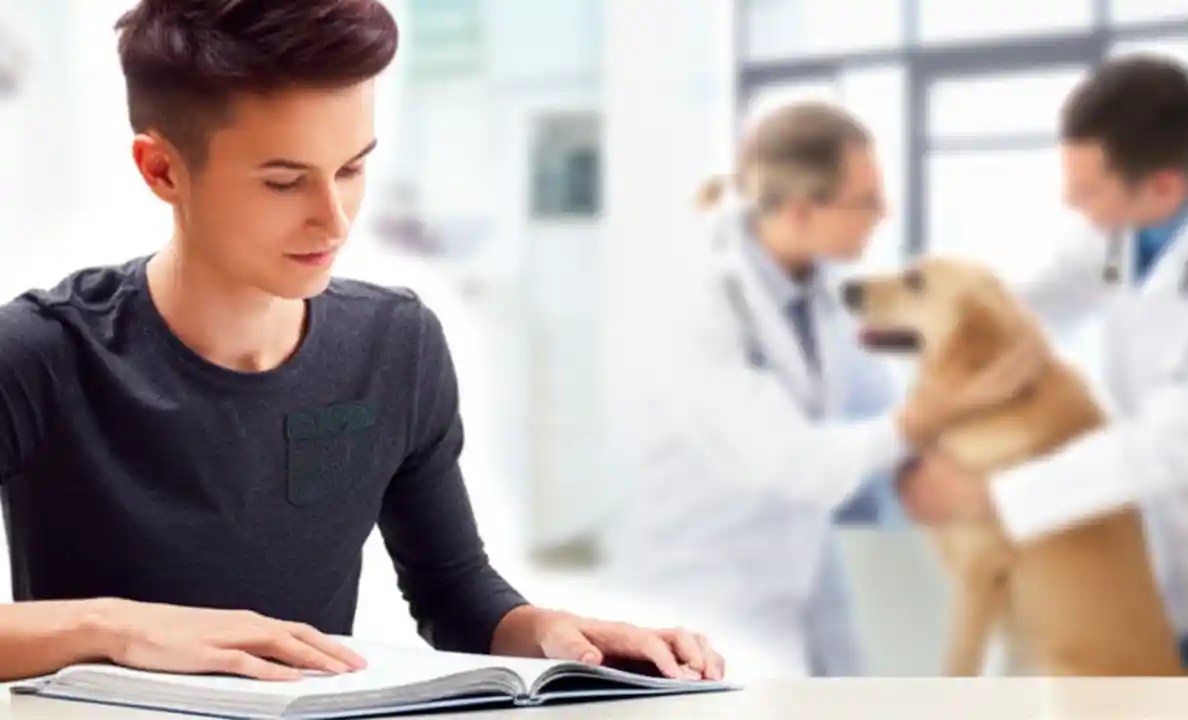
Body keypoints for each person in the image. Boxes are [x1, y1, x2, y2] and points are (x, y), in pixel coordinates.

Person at [0, 0, 723, 683]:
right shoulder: (39, 353)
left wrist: (559, 635)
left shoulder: (394, 345)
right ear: (162, 170)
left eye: (352, 168)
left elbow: (455, 593)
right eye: (285, 182)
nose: (335, 220)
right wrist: (112, 631)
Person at [603, 102, 1042, 678]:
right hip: (704, 597)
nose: (883, 215)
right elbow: (793, 461)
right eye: (866, 201)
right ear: (803, 212)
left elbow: (875, 417)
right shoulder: (695, 301)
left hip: (798, 585)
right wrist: (928, 420)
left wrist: (954, 466)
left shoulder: (823, 294)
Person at [900, 56, 1188, 674]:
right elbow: (1034, 301)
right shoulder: (1117, 225)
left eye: (1086, 189)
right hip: (1142, 533)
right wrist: (962, 337)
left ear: (1162, 187)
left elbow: (1172, 445)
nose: (1069, 201)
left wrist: (987, 493)